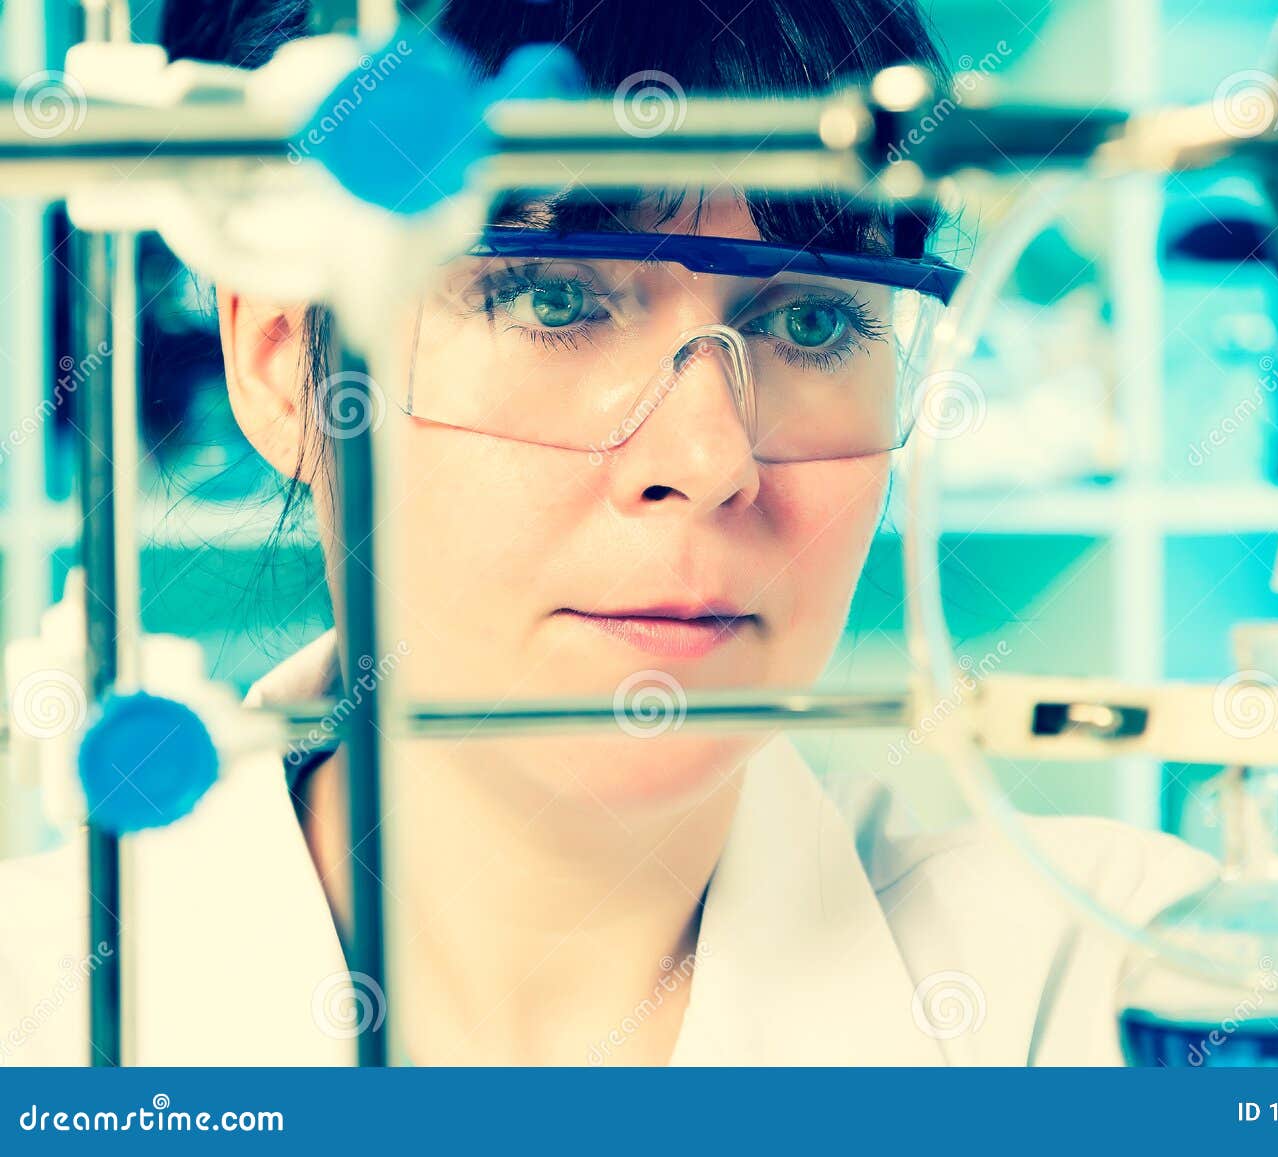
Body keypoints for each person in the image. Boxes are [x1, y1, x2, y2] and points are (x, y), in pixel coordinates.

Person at [0, 0, 1216, 1066]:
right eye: (553, 298)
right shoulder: (39, 1019)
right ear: (284, 368)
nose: (709, 461)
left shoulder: (1123, 981)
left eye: (808, 325)